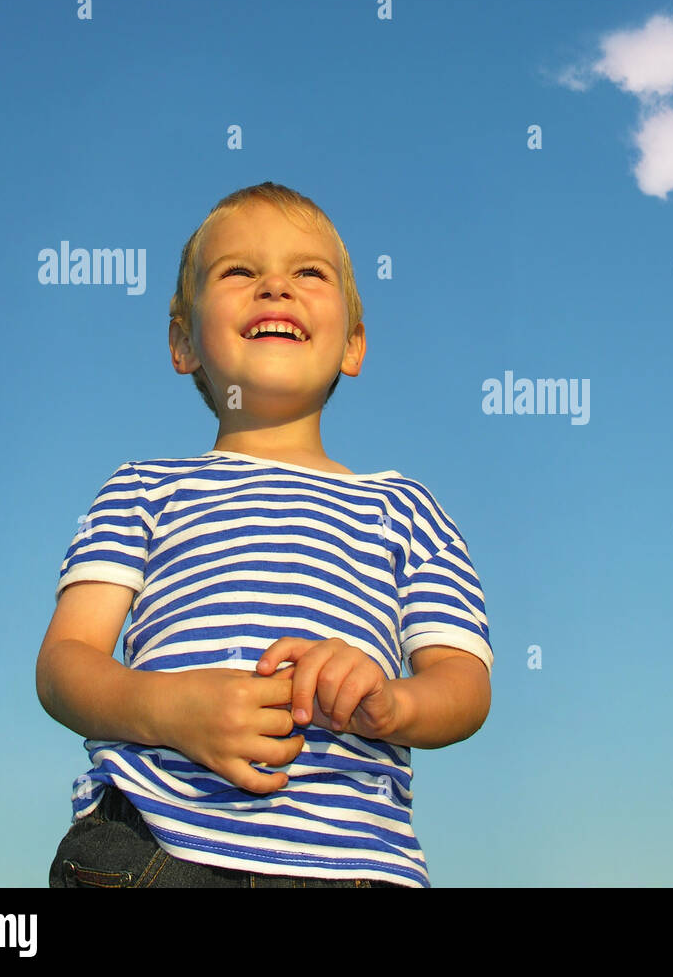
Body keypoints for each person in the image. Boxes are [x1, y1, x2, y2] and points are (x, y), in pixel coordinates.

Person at [38, 181, 492, 888]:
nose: (275, 286)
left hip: (353, 864)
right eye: (239, 272)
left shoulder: (405, 507)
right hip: (152, 848)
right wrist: (167, 708)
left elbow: (464, 687)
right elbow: (65, 664)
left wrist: (391, 702)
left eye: (309, 273)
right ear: (183, 340)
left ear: (354, 343)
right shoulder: (143, 488)